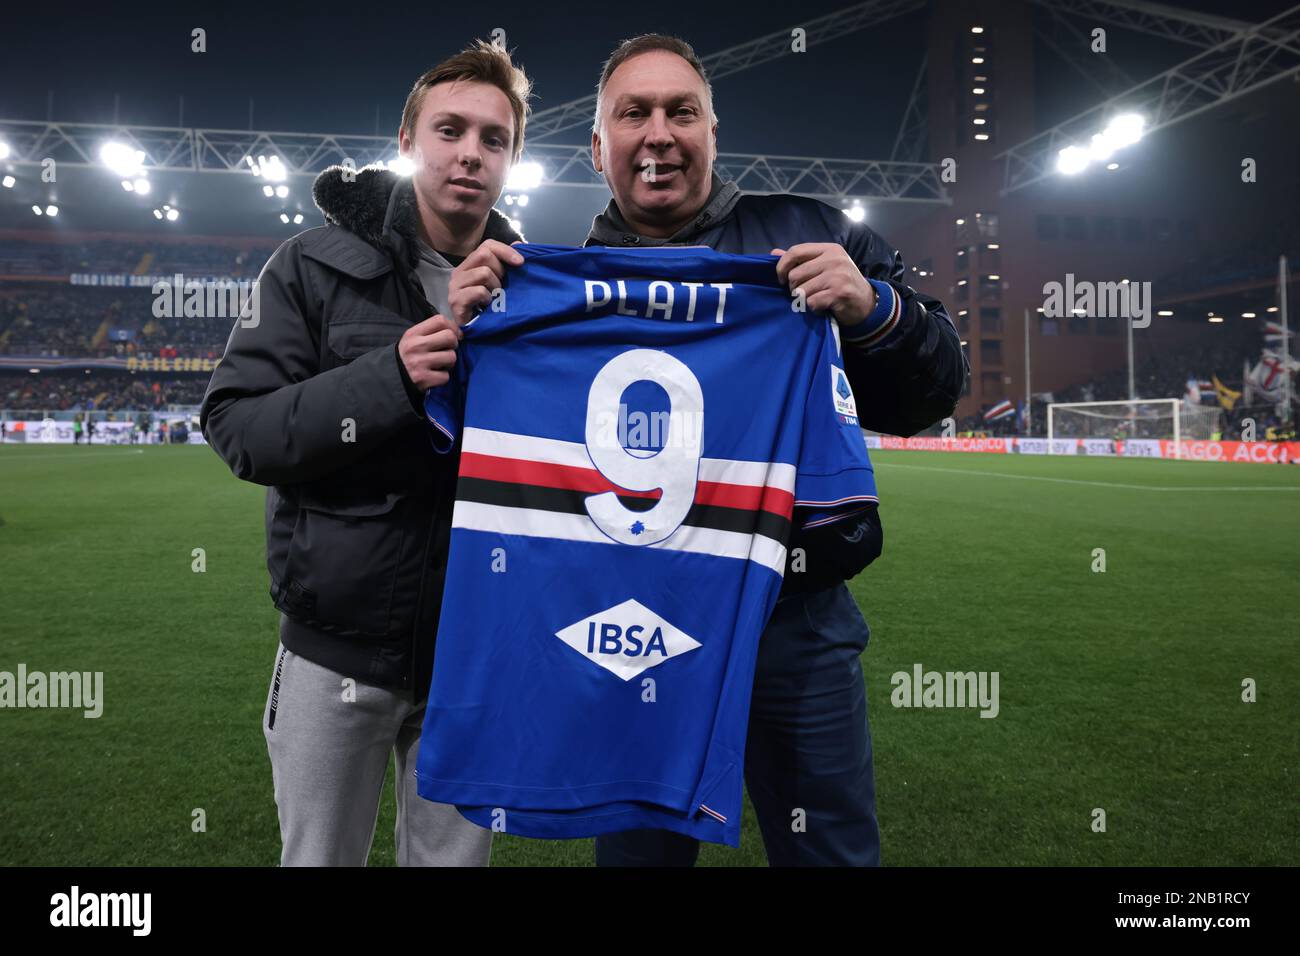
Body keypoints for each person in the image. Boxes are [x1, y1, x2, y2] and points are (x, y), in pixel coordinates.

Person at [451, 34, 964, 867]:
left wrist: (875, 309)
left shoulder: (811, 235)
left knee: (829, 852)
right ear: (598, 148)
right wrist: (472, 333)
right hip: (636, 621)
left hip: (793, 620)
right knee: (640, 859)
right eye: (634, 114)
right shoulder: (553, 288)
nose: (659, 133)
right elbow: (488, 455)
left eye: (680, 112)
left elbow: (935, 393)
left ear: (712, 133)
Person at [200, 40, 530, 866]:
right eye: (450, 130)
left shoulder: (531, 293)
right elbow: (238, 427)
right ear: (408, 140)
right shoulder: (310, 266)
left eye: (493, 139)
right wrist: (389, 378)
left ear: (511, 159)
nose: (471, 153)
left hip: (472, 657)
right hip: (332, 652)